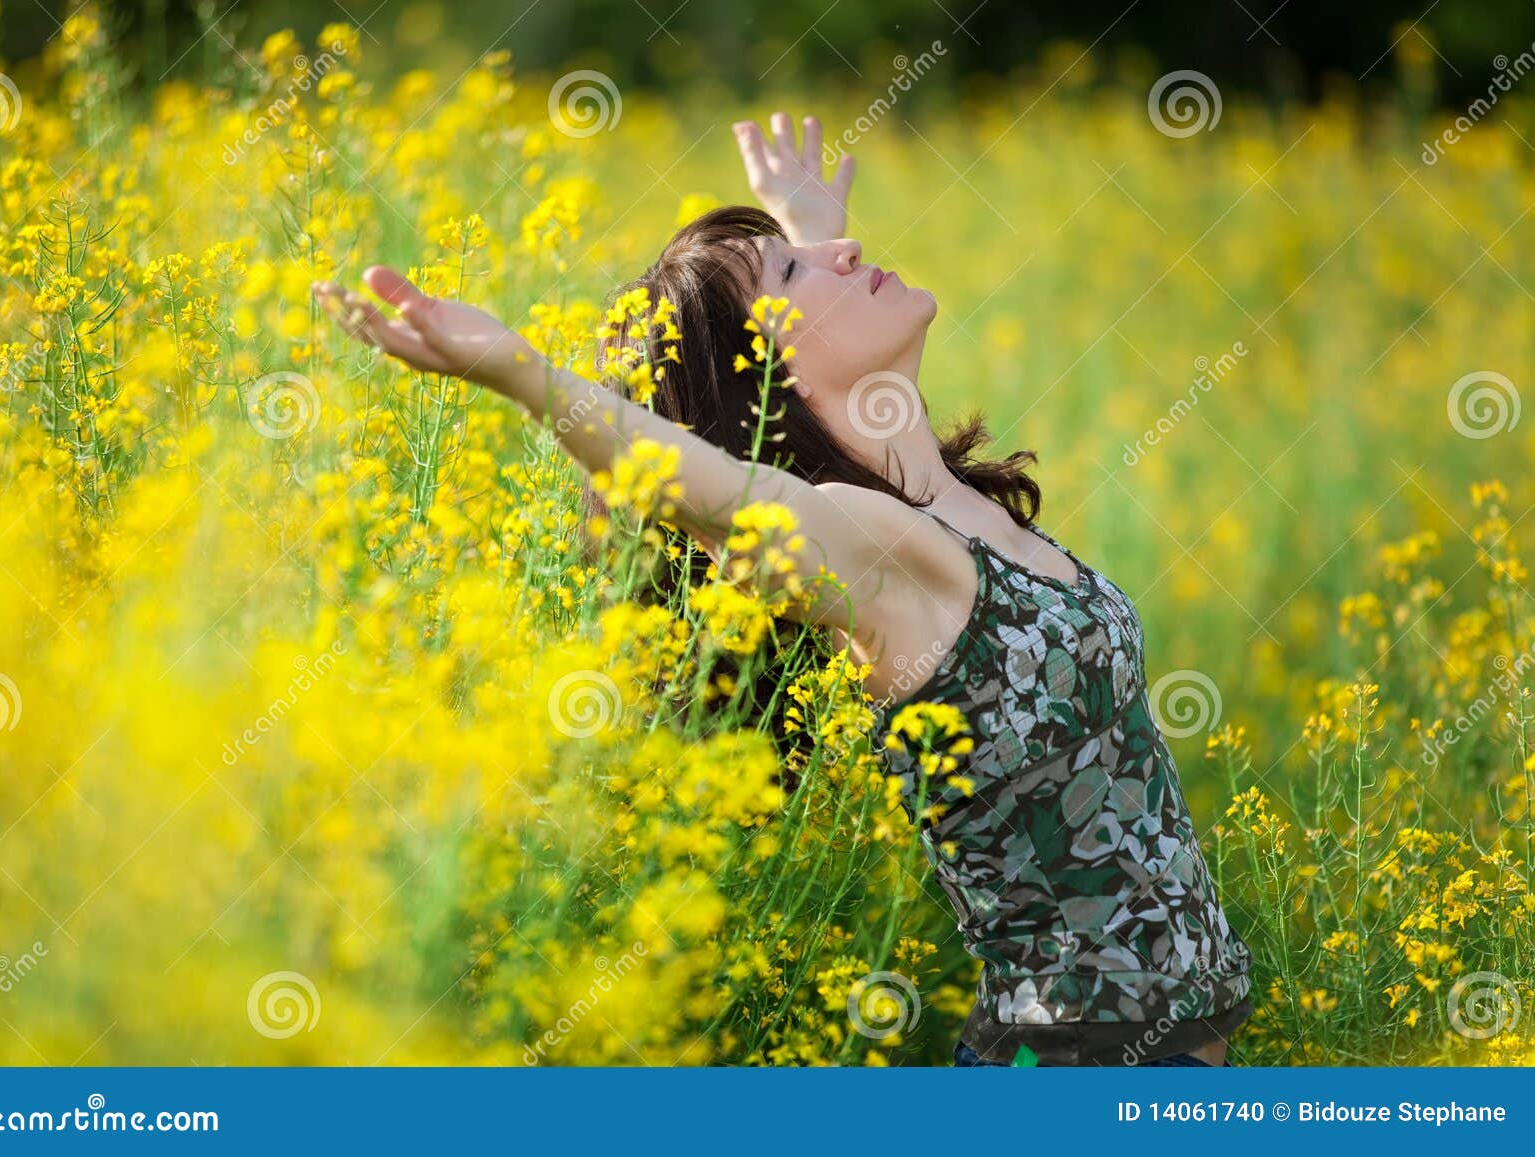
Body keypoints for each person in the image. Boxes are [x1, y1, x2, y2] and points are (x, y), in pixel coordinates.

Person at [314, 112, 1255, 1068]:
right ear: (768, 379)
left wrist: (803, 227)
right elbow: (716, 491)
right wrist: (524, 375)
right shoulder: (873, 546)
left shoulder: (952, 503)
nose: (847, 249)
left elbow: (816, 379)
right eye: (801, 272)